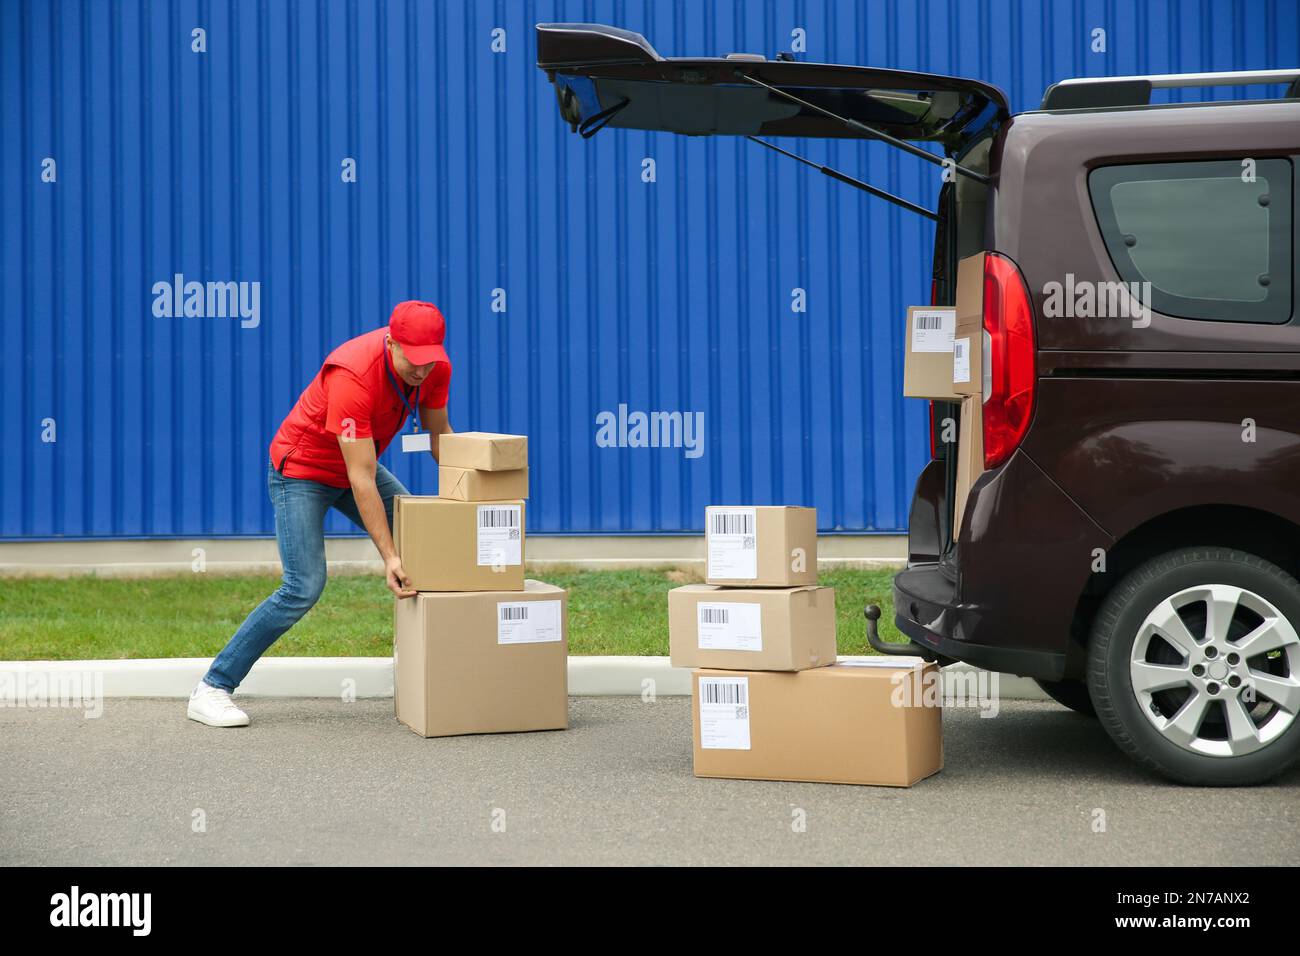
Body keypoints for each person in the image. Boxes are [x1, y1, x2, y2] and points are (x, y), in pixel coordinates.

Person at [188, 301, 453, 727]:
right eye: (413, 361)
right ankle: (213, 687)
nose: (421, 372)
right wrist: (389, 557)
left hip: (355, 465)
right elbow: (361, 478)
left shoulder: (434, 367)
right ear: (391, 342)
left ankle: (433, 674)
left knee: (426, 542)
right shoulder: (354, 375)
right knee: (303, 586)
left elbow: (442, 439)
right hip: (303, 470)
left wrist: (472, 497)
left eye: (429, 361)